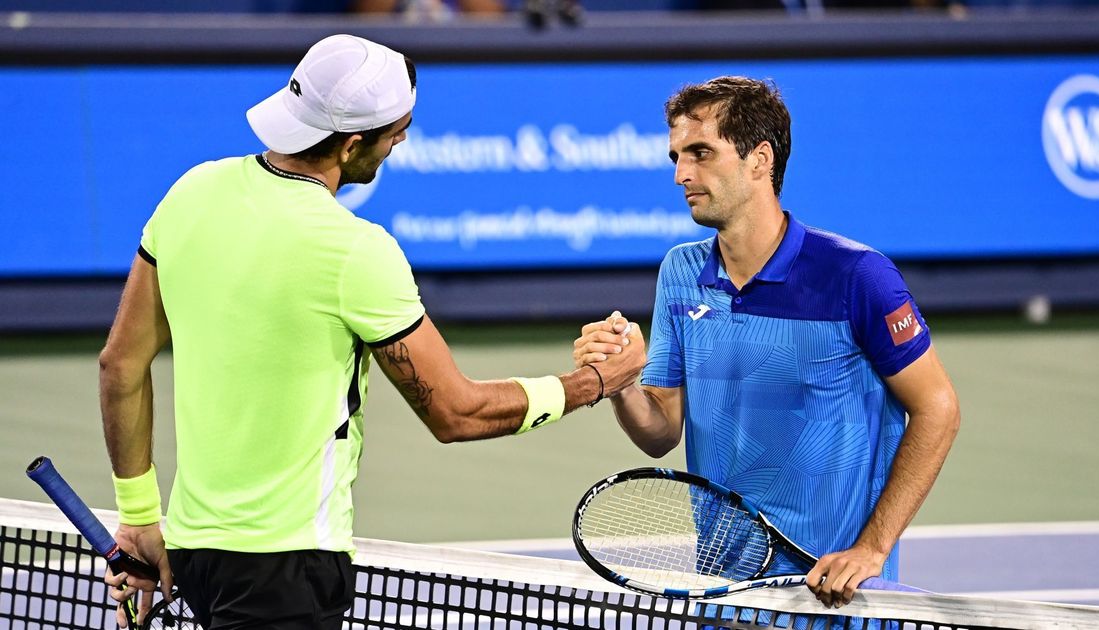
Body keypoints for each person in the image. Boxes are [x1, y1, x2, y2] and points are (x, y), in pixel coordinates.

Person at [99, 34, 645, 629]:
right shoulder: (354, 251)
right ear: (352, 143)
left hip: (193, 550)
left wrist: (138, 515)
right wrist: (594, 382)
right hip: (289, 570)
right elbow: (456, 412)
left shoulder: (191, 193)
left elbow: (120, 364)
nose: (401, 141)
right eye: (395, 132)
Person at [573, 76, 959, 609]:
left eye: (701, 153)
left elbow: (939, 407)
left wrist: (872, 548)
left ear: (760, 159)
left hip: (834, 599)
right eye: (677, 157)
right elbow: (661, 431)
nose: (682, 173)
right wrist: (622, 385)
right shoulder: (680, 273)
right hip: (725, 591)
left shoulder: (857, 276)